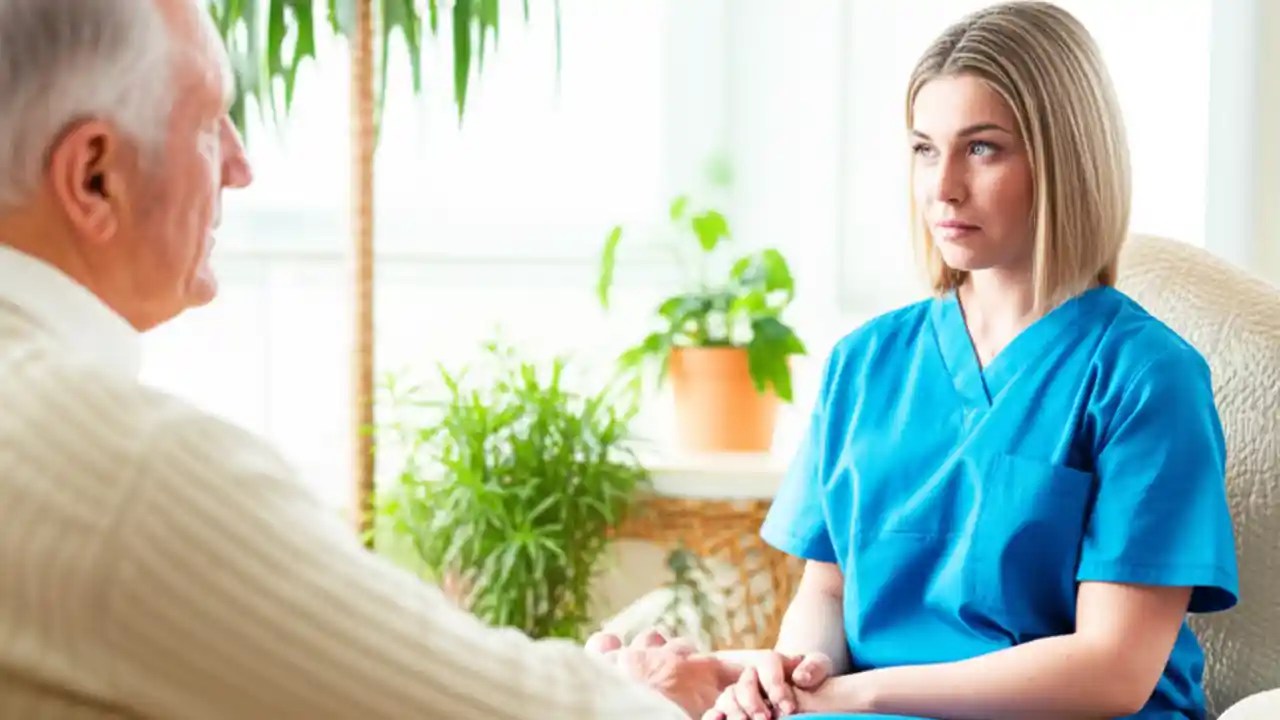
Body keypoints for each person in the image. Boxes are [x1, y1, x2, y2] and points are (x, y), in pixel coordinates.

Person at [0, 1, 741, 717]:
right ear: (95, 176)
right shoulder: (131, 468)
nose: (239, 163)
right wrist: (645, 696)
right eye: (204, 123)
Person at [608, 3, 1240, 719]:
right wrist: (795, 677)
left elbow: (1112, 671)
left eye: (982, 148)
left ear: (1065, 158)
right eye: (923, 149)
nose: (942, 188)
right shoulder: (865, 362)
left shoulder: (1146, 377)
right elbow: (827, 591)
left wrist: (861, 693)